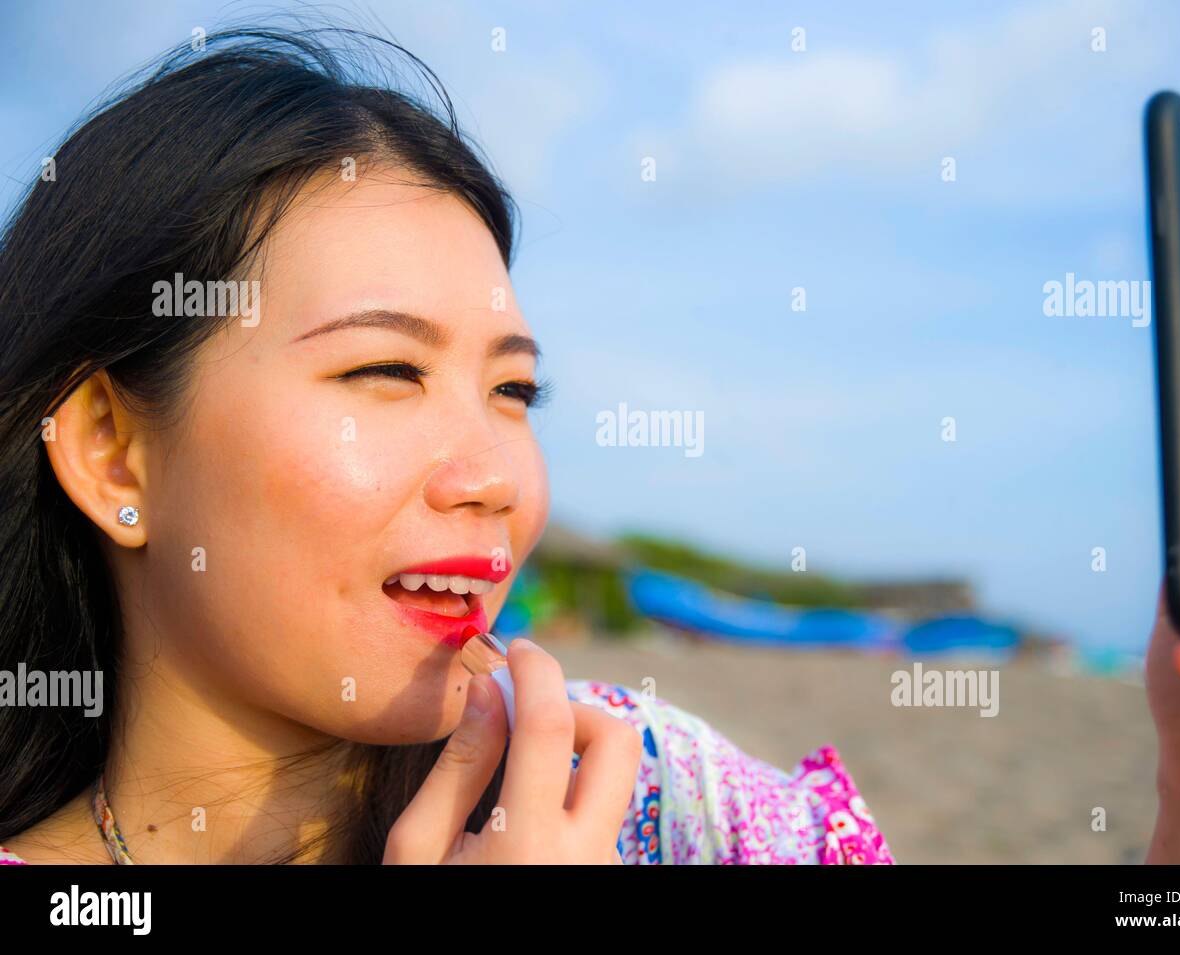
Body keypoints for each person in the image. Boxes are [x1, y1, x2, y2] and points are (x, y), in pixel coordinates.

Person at [0, 28, 889, 865]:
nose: (497, 478)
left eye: (513, 390)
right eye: (387, 369)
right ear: (112, 450)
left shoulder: (649, 791)